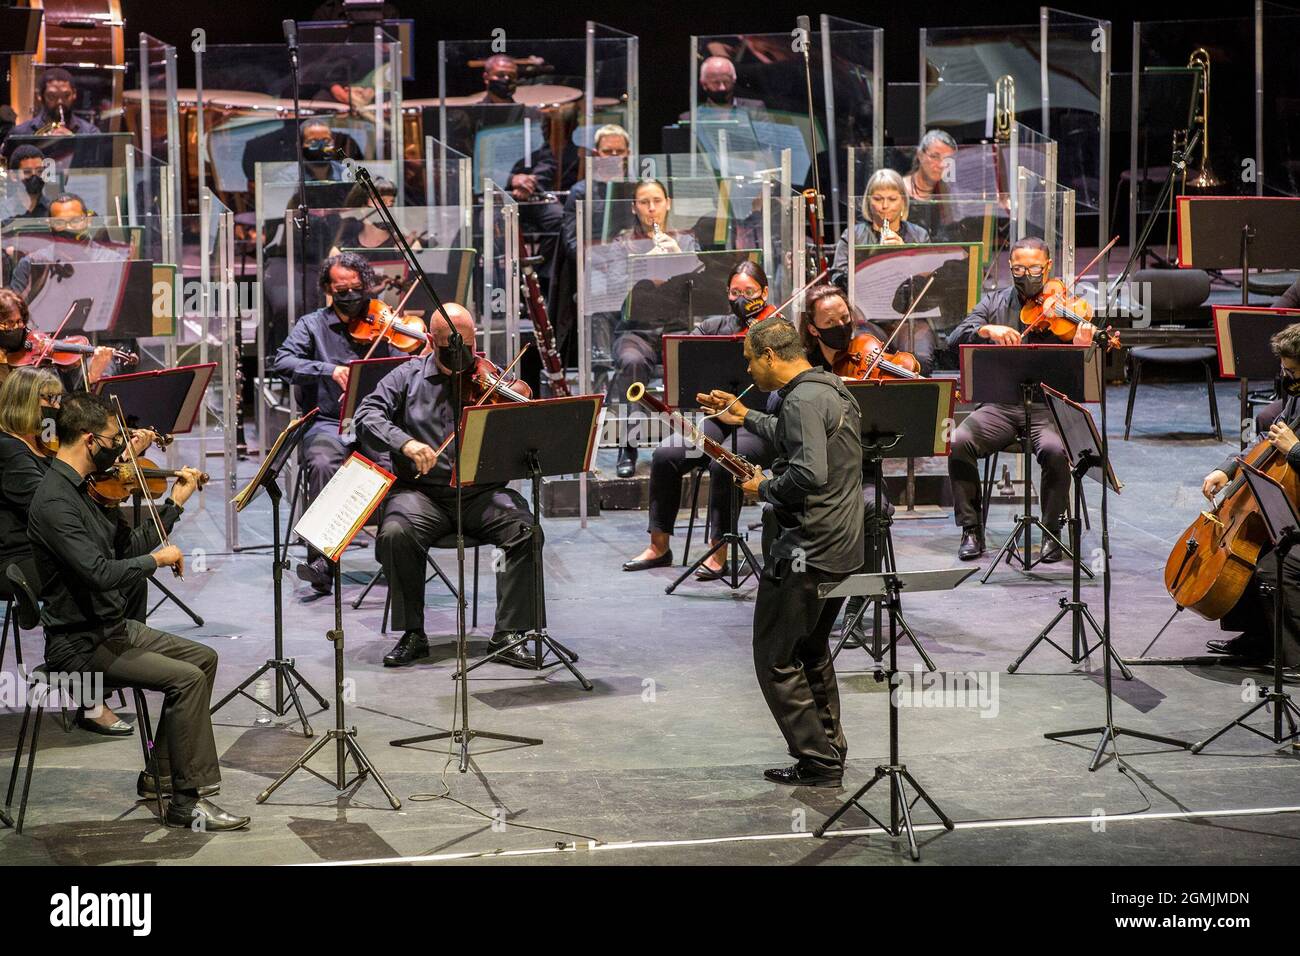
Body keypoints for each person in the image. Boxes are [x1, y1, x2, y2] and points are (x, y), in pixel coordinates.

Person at [28, 391, 248, 830]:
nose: (120, 447)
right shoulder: (55, 503)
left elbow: (125, 547)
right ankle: (187, 802)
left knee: (203, 659)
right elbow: (99, 573)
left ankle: (160, 775)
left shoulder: (88, 490)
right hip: (79, 645)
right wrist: (158, 561)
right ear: (90, 440)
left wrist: (174, 505)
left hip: (110, 628)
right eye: (114, 438)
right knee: (185, 680)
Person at [705, 318, 864, 786]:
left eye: (751, 359)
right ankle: (830, 748)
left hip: (806, 550)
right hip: (843, 544)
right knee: (812, 649)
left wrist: (766, 486)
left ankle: (816, 759)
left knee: (775, 657)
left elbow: (809, 474)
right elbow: (801, 433)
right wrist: (745, 416)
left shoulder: (800, 399)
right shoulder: (828, 387)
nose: (750, 369)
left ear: (771, 355)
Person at [354, 304, 543, 669]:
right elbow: (366, 416)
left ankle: (509, 634)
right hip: (420, 495)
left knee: (526, 531)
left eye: (468, 347)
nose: (461, 357)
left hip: (482, 494)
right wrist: (405, 443)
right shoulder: (404, 378)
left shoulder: (490, 379)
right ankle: (413, 633)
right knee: (395, 532)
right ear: (429, 341)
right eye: (449, 347)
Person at [622, 260, 779, 577]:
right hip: (718, 419)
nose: (742, 299)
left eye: (750, 292)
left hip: (757, 424)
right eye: (736, 292)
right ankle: (659, 546)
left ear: (764, 292)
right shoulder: (714, 327)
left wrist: (746, 413)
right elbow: (688, 359)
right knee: (666, 454)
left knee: (723, 462)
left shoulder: (777, 331)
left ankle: (718, 550)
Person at [945, 236, 1095, 562]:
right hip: (1001, 405)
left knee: (1057, 450)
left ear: (1049, 267)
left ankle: (1052, 531)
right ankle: (971, 529)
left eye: (1034, 268)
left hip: (1048, 409)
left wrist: (1084, 345)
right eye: (1018, 268)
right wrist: (988, 331)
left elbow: (1088, 375)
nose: (1026, 274)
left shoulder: (1067, 309)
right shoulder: (995, 303)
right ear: (1009, 268)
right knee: (958, 441)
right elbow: (954, 338)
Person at [0, 365, 130, 734]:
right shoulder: (8, 449)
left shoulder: (42, 445)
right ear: (25, 402)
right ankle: (88, 691)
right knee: (93, 576)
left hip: (43, 547)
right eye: (49, 399)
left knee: (124, 571)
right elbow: (51, 504)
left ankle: (109, 666)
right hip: (16, 557)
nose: (56, 408)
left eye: (58, 399)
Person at [271, 253, 405, 594]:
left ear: (367, 285)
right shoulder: (311, 325)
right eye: (340, 288)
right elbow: (283, 361)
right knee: (321, 462)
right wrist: (328, 369)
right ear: (328, 289)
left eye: (356, 287)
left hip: (374, 422)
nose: (349, 294)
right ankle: (322, 562)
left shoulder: (385, 323)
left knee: (394, 463)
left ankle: (393, 555)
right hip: (328, 421)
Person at [1202, 323, 1300, 667]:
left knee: (1277, 566)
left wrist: (1296, 451)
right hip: (1292, 506)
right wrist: (1227, 469)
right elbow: (1264, 442)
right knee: (1244, 547)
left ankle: (1295, 657)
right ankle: (1259, 637)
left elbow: (1288, 448)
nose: (1286, 378)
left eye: (1292, 371)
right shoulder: (1297, 395)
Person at [609, 179, 700, 477]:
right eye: (644, 202)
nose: (651, 209)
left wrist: (680, 259)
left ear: (668, 203)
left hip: (677, 327)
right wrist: (641, 270)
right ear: (634, 207)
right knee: (632, 362)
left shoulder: (686, 239)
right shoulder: (622, 243)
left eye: (657, 201)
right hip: (636, 330)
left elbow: (703, 287)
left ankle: (694, 445)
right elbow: (611, 291)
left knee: (697, 356)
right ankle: (629, 445)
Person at [829, 168, 936, 374]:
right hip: (867, 317)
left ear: (903, 201)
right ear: (869, 201)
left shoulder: (918, 235)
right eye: (878, 199)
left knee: (920, 358)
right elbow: (837, 277)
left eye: (892, 199)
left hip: (908, 317)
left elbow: (930, 284)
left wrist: (904, 253)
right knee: (869, 358)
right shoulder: (853, 235)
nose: (885, 206)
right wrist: (872, 259)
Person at [0, 288, 114, 390]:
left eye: (19, 322)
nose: (16, 328)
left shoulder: (38, 355)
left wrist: (90, 377)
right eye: (8, 323)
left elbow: (64, 396)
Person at [2, 68, 99, 153]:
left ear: (74, 94)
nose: (60, 102)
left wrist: (74, 142)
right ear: (40, 96)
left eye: (66, 96)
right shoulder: (20, 133)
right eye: (52, 96)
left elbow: (98, 167)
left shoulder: (90, 132)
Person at [3, 145, 51, 227]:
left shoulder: (53, 209)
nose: (34, 176)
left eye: (39, 171)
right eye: (27, 172)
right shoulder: (3, 211)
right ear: (13, 176)